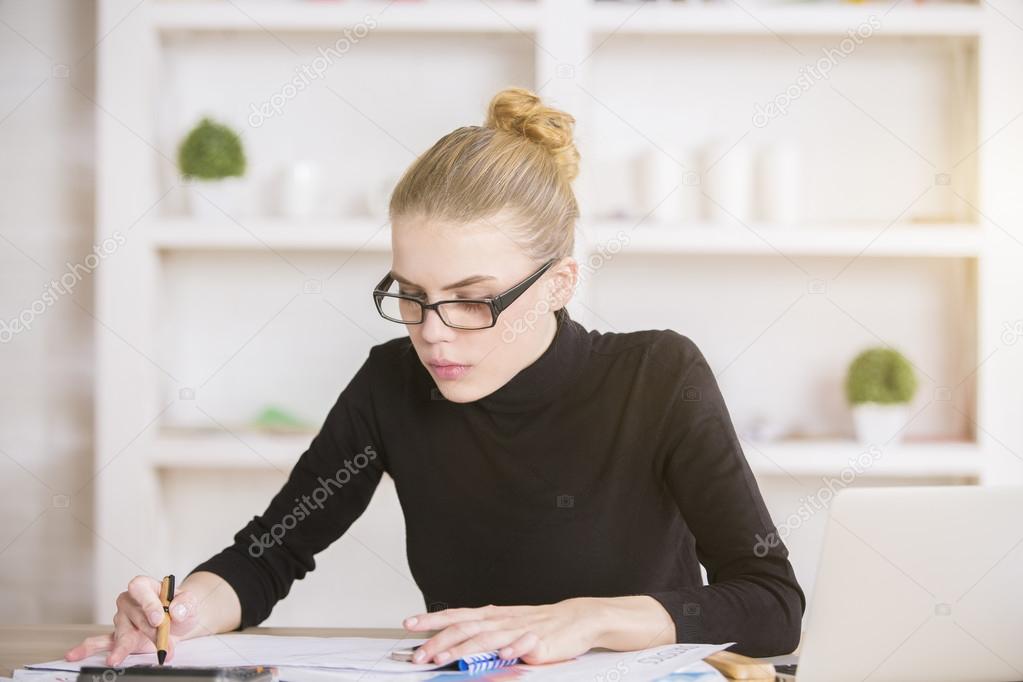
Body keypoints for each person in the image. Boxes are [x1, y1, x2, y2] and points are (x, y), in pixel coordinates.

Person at [66, 87, 804, 668]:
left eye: (471, 300)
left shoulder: (655, 374)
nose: (432, 333)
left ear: (558, 284)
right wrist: (180, 611)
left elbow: (771, 604)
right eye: (411, 296)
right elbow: (272, 552)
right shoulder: (392, 384)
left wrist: (590, 617)